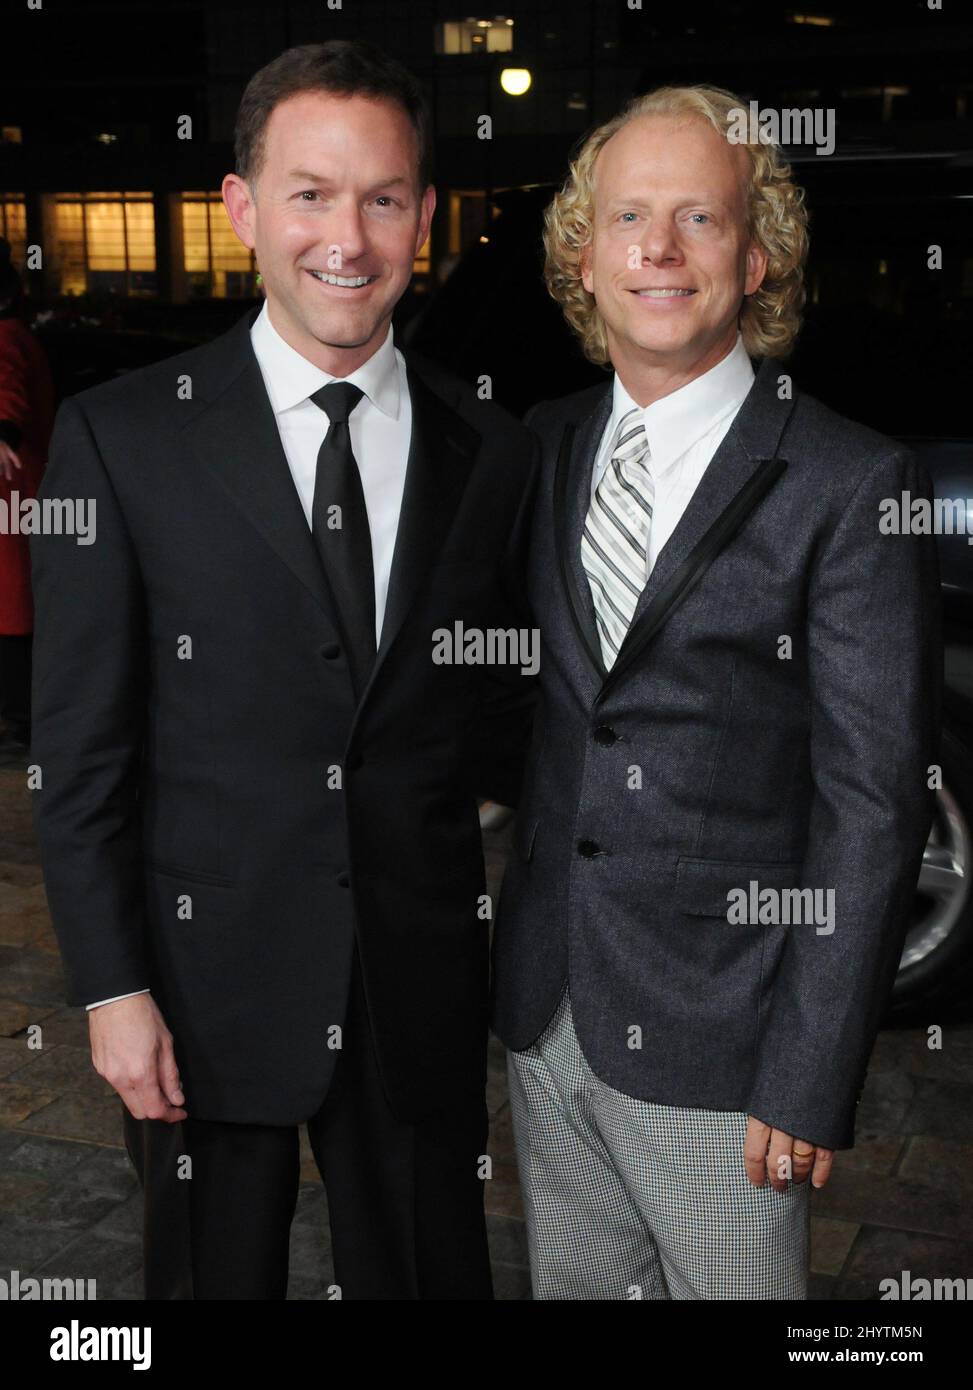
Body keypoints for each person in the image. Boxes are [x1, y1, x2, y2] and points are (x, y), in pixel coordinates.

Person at [31, 40, 537, 1301]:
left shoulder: (494, 449)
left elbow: (512, 721)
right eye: (310, 193)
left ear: (425, 216)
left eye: (381, 198)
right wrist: (111, 987)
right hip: (200, 990)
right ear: (244, 209)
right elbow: (83, 750)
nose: (347, 238)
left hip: (416, 990)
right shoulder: (122, 436)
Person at [491, 84, 941, 1300]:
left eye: (700, 218)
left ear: (757, 255)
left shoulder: (848, 481)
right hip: (549, 1021)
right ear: (582, 256)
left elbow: (872, 803)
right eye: (629, 215)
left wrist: (807, 1072)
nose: (659, 248)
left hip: (730, 1047)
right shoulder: (540, 445)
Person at [0, 236, 54, 747]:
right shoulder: (13, 331)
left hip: (11, 499)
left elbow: (7, 397)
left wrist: (4, 432)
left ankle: (20, 719)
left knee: (14, 611)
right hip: (21, 498)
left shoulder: (4, 336)